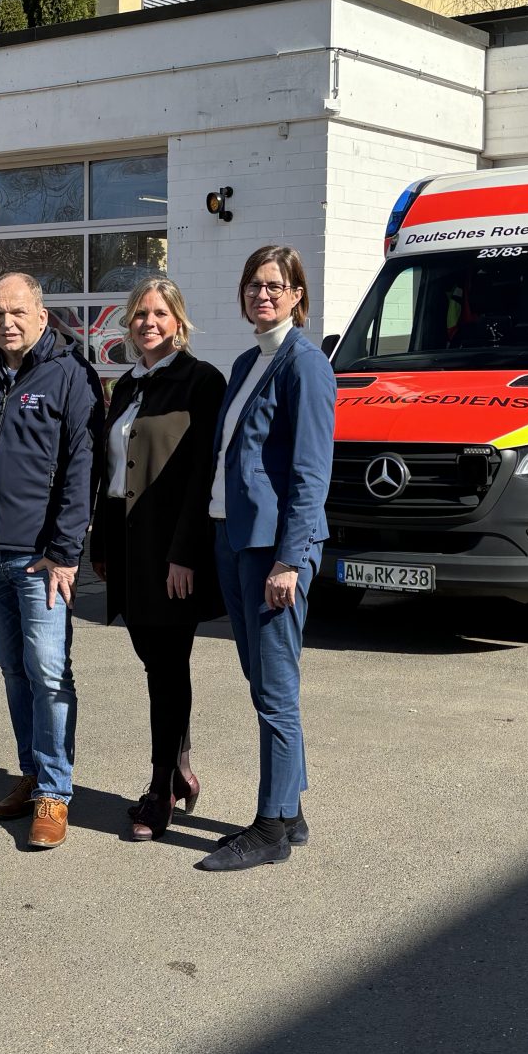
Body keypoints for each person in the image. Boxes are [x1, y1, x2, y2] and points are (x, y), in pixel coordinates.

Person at [198, 246, 335, 872]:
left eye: (276, 285)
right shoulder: (248, 361)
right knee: (262, 681)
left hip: (274, 551)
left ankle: (271, 827)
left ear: (297, 294)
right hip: (235, 539)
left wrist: (290, 560)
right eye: (254, 284)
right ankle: (291, 808)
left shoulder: (305, 365)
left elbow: (310, 474)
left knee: (276, 690)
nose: (263, 294)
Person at [0, 274, 104, 851]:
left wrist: (66, 553)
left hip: (42, 560)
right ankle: (32, 772)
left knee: (48, 672)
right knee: (14, 670)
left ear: (42, 315)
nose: (7, 322)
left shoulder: (70, 373)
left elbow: (82, 467)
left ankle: (54, 793)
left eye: (17, 311)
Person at [89, 277, 227, 843]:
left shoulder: (201, 381)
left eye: (160, 313)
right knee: (157, 667)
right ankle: (180, 768)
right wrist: (100, 545)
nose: (149, 322)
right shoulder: (126, 385)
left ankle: (160, 787)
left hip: (172, 551)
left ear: (179, 322)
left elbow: (202, 476)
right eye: (140, 314)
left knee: (168, 669)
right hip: (127, 546)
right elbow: (109, 470)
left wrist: (185, 554)